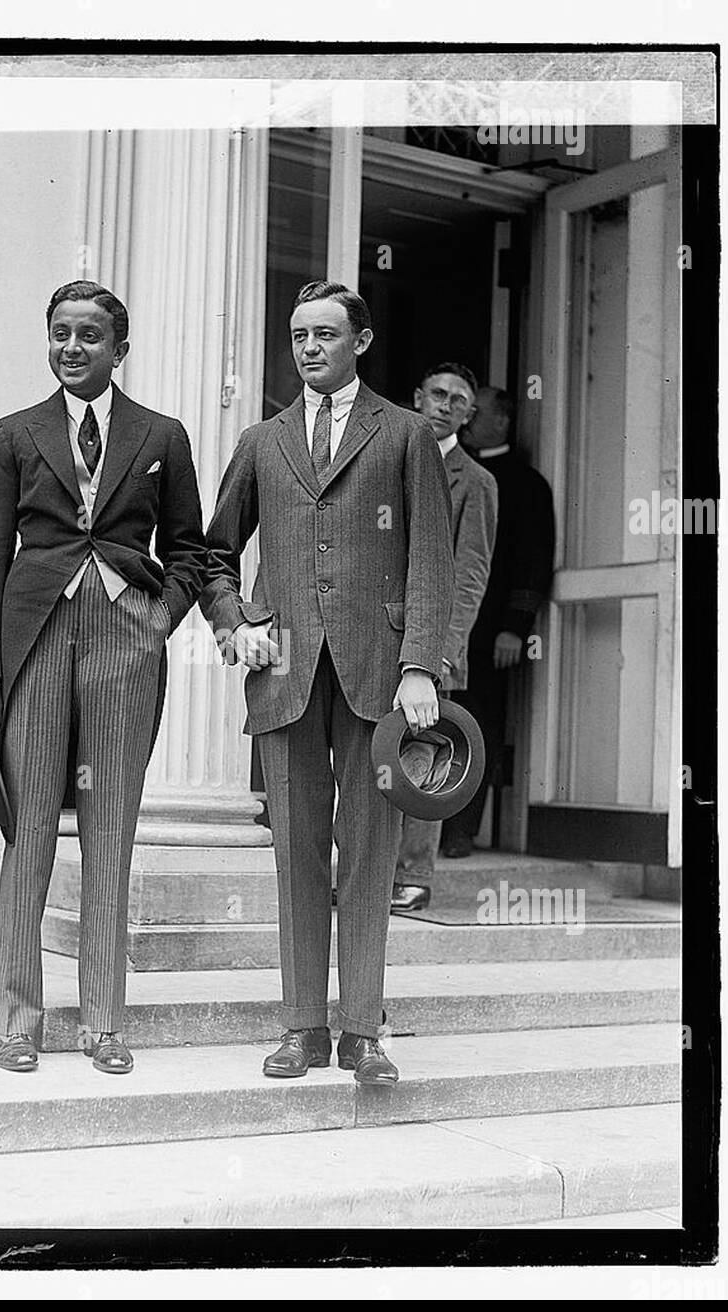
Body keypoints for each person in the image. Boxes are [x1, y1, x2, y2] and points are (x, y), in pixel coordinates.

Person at [200, 281, 454, 1086]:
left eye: (325, 335)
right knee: (297, 856)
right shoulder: (261, 440)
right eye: (298, 335)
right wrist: (235, 622)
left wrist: (420, 663)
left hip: (379, 676)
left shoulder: (405, 434)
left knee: (370, 854)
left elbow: (432, 563)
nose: (309, 347)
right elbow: (212, 553)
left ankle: (364, 1032)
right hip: (284, 675)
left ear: (362, 342)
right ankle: (302, 1027)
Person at [0, 280, 207, 1074]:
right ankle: (16, 1021)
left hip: (124, 644)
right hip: (34, 640)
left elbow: (191, 549)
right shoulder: (13, 435)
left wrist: (157, 620)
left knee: (111, 832)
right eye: (61, 333)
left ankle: (104, 1021)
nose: (72, 347)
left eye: (90, 336)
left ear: (119, 350)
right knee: (27, 830)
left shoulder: (161, 435)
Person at [391, 364, 498, 913]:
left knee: (424, 760)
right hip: (378, 638)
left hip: (432, 646)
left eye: (457, 400)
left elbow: (469, 573)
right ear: (417, 396)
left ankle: (413, 876)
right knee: (372, 758)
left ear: (468, 414)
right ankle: (368, 875)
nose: (444, 405)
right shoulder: (391, 459)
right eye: (435, 393)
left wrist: (441, 653)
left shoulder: (476, 483)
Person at [442, 385, 555, 857]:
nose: (465, 419)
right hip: (444, 626)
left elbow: (533, 558)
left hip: (490, 634)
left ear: (503, 420)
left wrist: (516, 625)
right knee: (436, 726)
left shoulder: (526, 483)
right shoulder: (448, 469)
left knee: (478, 727)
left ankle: (462, 830)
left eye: (476, 410)